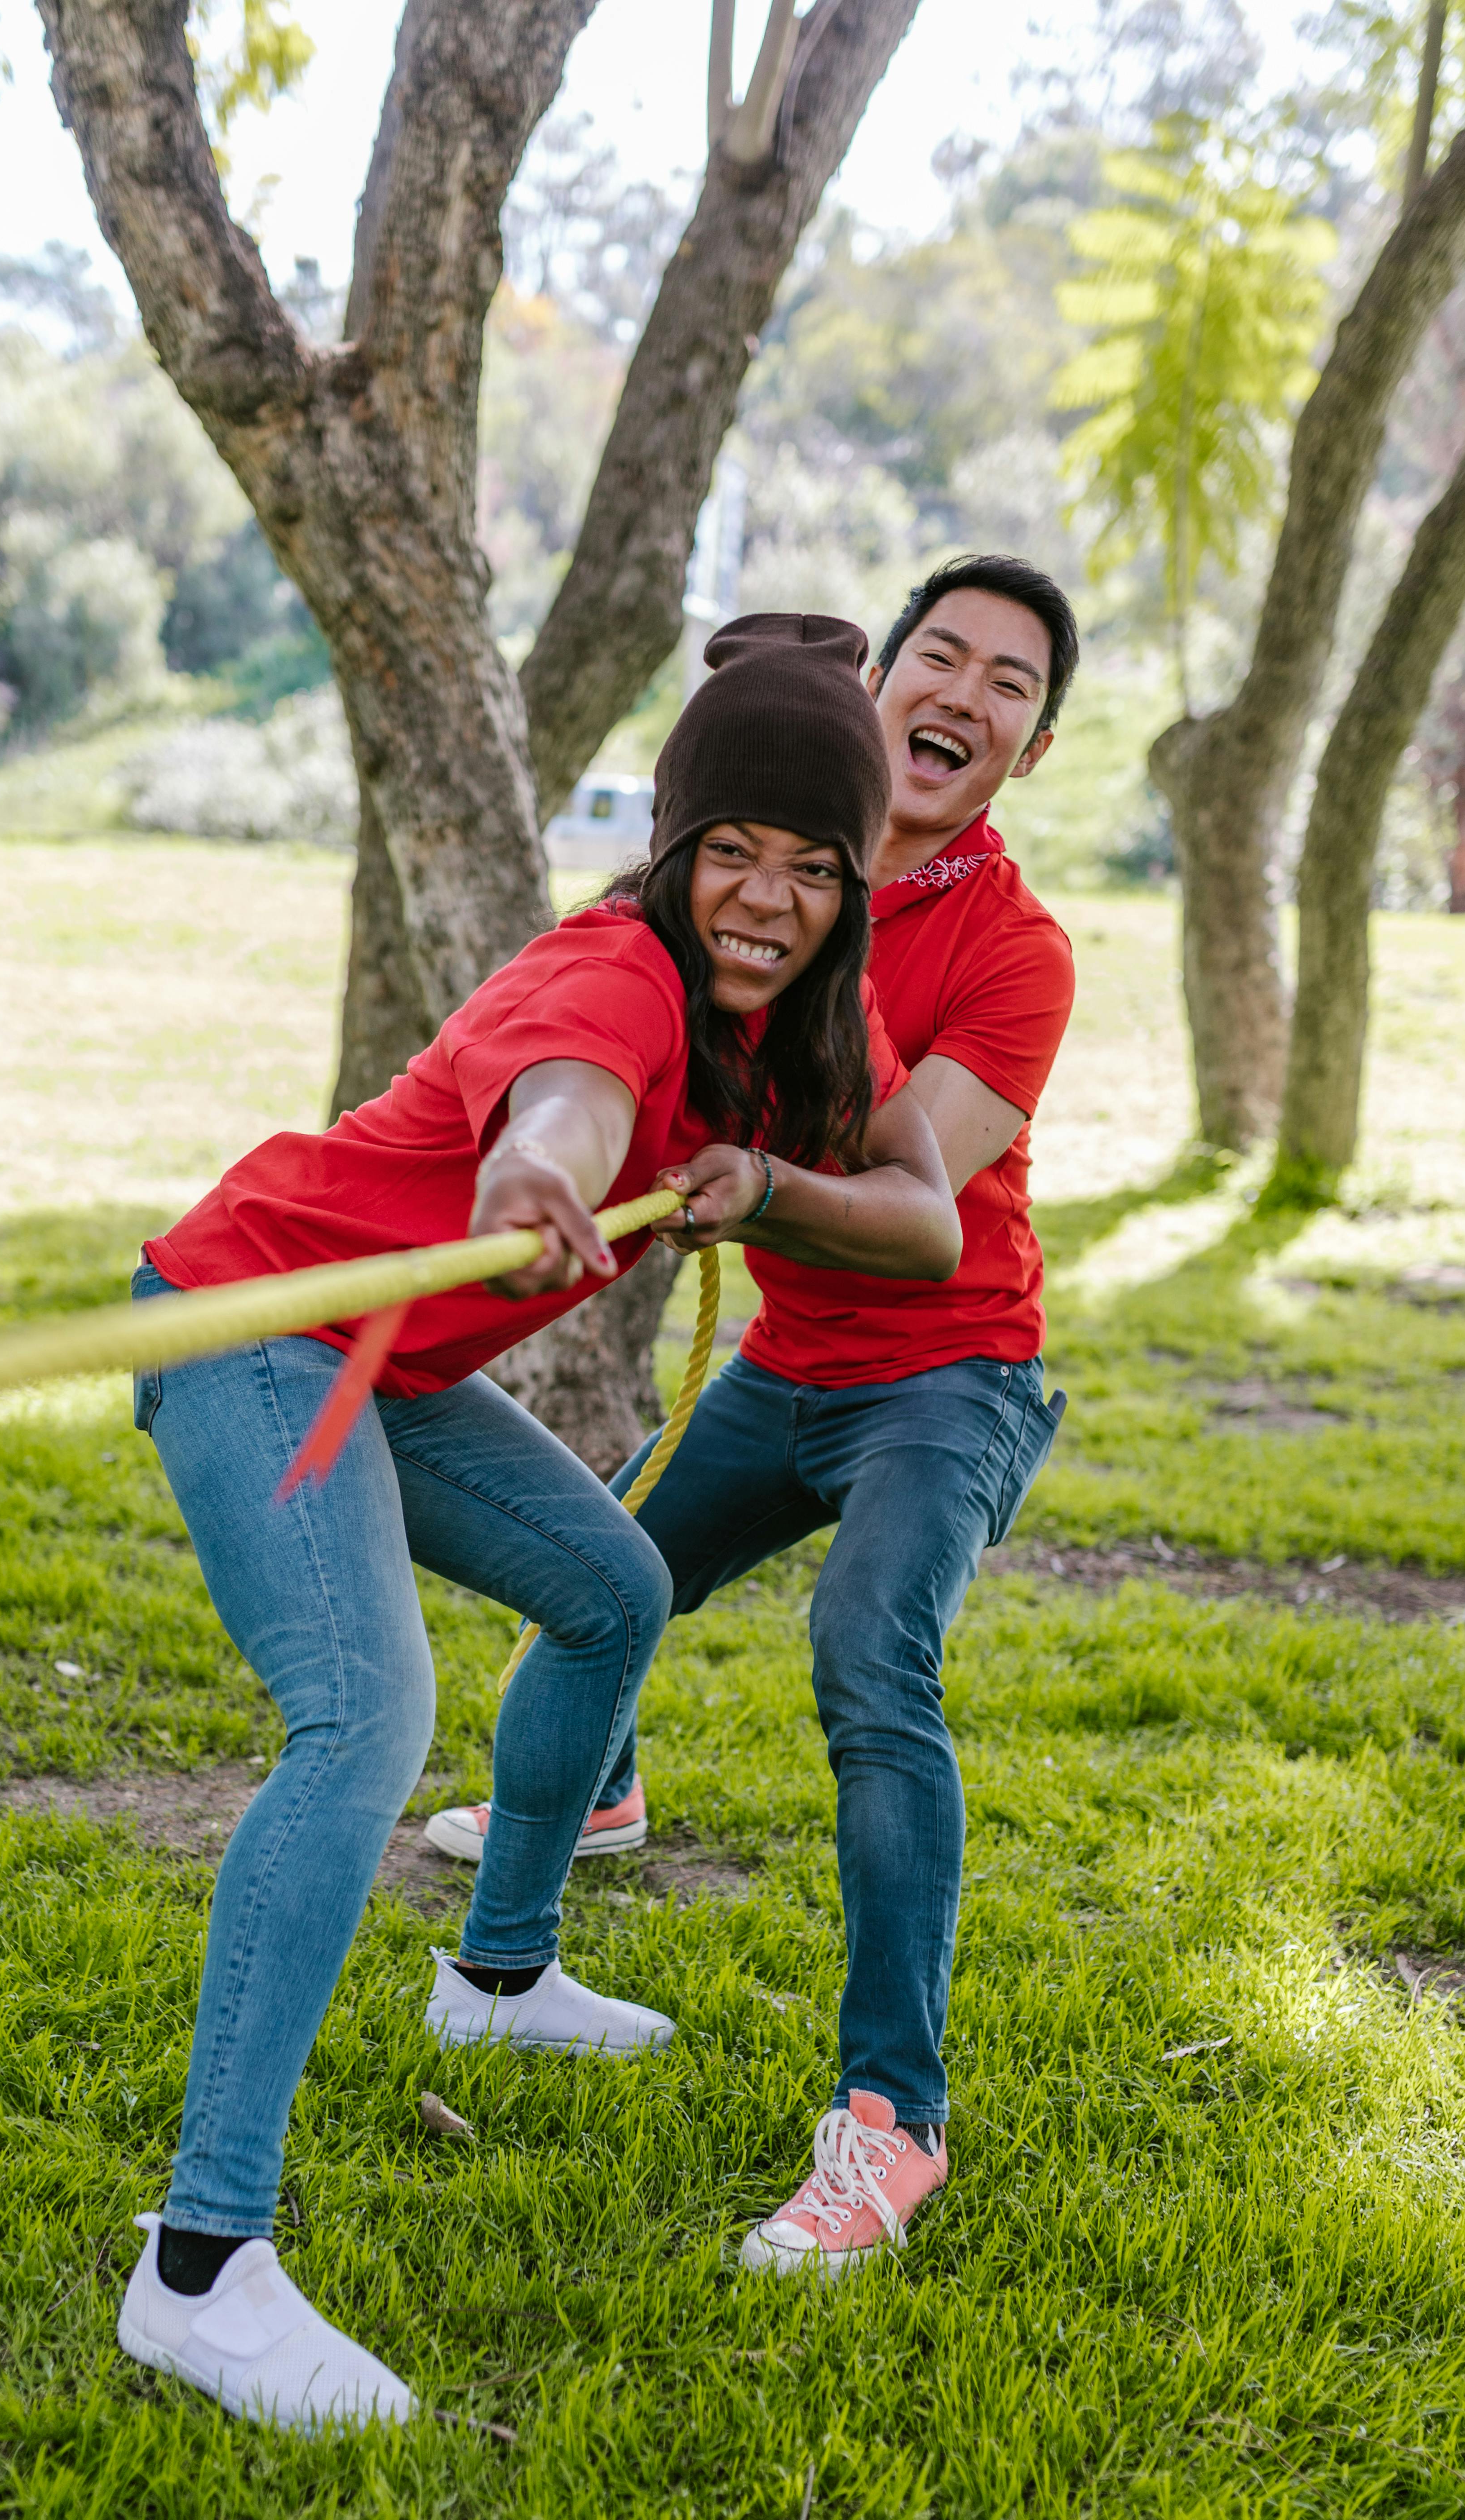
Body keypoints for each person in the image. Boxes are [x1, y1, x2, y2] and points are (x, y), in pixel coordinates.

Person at [111, 614, 961, 2433]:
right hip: (258, 1321)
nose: (765, 894)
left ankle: (494, 1975)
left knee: (611, 1585)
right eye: (729, 847)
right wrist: (536, 1172)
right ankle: (197, 2265)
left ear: (845, 892)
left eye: (812, 863)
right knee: (362, 1722)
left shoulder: (803, 1022)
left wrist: (774, 1183)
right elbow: (556, 1100)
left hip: (385, 1362)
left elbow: (926, 1213)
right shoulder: (614, 979)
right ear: (669, 849)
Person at [427, 553, 1081, 2278]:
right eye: (939, 653)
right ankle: (525, 1931)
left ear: (1026, 746)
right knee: (597, 1578)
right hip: (787, 1364)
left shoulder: (1014, 951)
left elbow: (910, 1204)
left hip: (949, 1376)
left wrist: (756, 1177)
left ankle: (893, 2128)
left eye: (1009, 684)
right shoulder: (757, 863)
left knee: (873, 1663)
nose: (965, 692)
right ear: (879, 686)